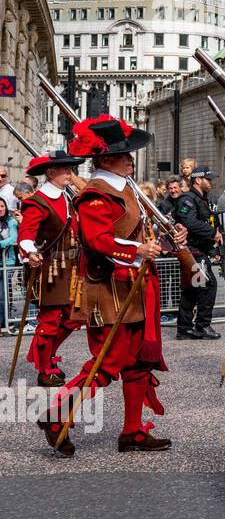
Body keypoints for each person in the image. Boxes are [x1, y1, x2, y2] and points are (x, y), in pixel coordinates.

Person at [40, 114, 188, 456]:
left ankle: (132, 431)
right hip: (110, 289)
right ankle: (57, 413)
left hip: (133, 284)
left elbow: (135, 232)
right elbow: (99, 239)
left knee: (138, 362)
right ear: (106, 159)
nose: (131, 159)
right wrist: (139, 249)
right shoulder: (96, 193)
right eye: (124, 155)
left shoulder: (125, 187)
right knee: (109, 360)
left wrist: (167, 240)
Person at [16, 148, 84, 385]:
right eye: (65, 169)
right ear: (51, 172)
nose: (70, 173)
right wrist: (30, 252)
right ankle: (45, 368)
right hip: (50, 269)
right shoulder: (37, 202)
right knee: (50, 320)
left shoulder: (69, 195)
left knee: (76, 317)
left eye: (70, 169)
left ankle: (45, 353)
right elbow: (25, 234)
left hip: (73, 267)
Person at [173, 166, 220, 340]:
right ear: (198, 180)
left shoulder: (203, 199)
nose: (211, 182)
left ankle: (184, 328)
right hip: (192, 251)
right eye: (209, 179)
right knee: (208, 285)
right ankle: (203, 325)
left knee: (192, 287)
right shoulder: (188, 199)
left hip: (200, 249)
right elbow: (190, 222)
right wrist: (212, 232)